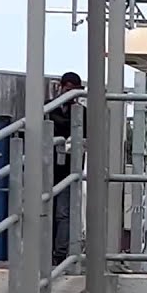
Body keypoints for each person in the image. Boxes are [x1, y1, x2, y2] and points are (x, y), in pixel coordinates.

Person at [49, 72, 85, 266]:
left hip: (68, 170)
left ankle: (59, 254)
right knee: (45, 210)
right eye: (68, 89)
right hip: (47, 168)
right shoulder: (48, 107)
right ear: (61, 87)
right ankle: (47, 250)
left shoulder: (82, 113)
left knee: (63, 212)